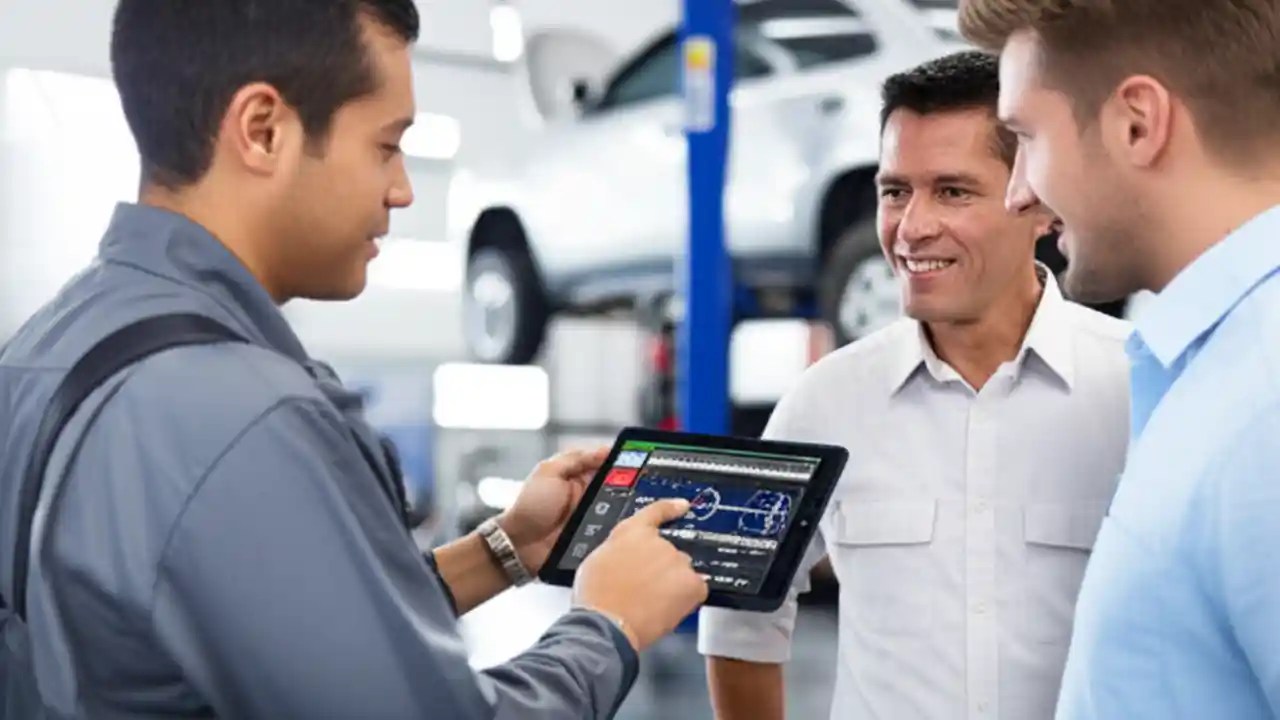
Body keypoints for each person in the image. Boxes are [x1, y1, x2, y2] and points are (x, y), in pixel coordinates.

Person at [0, 1, 708, 718]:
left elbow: (289, 636)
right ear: (263, 130)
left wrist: (506, 547)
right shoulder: (247, 420)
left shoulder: (44, 352)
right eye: (386, 145)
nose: (401, 189)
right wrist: (608, 624)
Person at [697, 51, 1132, 720]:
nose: (911, 227)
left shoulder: (1136, 386)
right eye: (895, 190)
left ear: (1039, 202)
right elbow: (741, 616)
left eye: (952, 191)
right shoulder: (823, 401)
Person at [958, 2, 1280, 718]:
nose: (1018, 195)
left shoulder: (1267, 403)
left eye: (1025, 137)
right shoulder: (1217, 368)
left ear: (1137, 122)